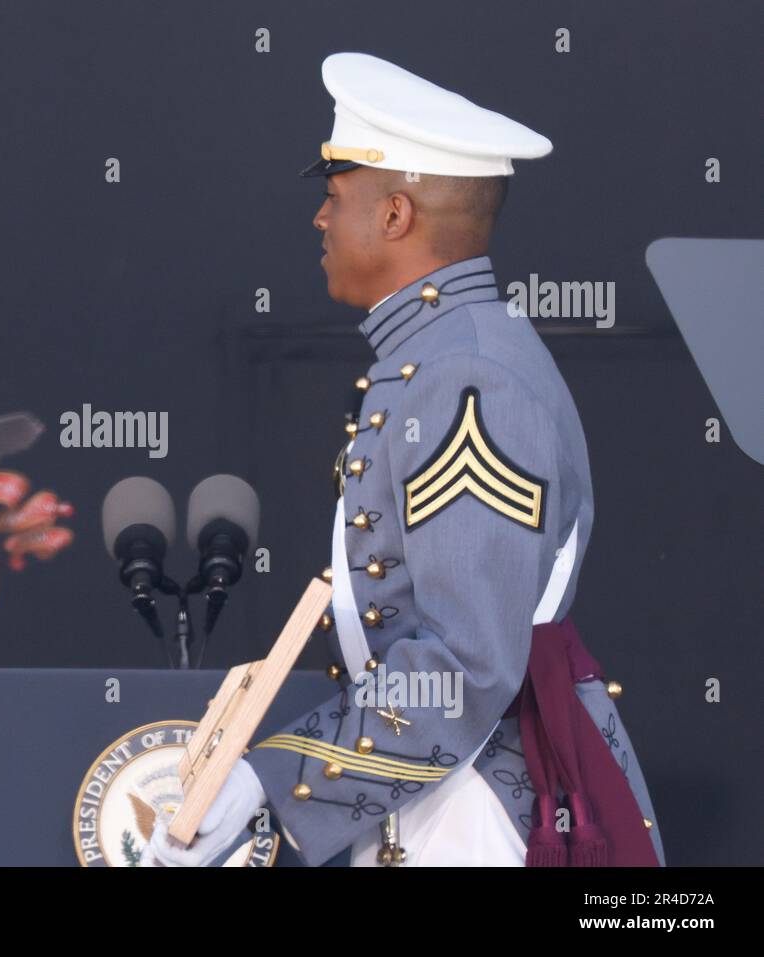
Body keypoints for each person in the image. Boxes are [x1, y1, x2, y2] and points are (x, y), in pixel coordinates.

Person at [150, 53, 664, 867]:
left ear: (394, 214)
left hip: (473, 809)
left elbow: (464, 662)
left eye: (333, 194)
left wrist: (278, 779)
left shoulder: (466, 375)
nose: (319, 218)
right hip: (428, 788)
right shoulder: (443, 352)